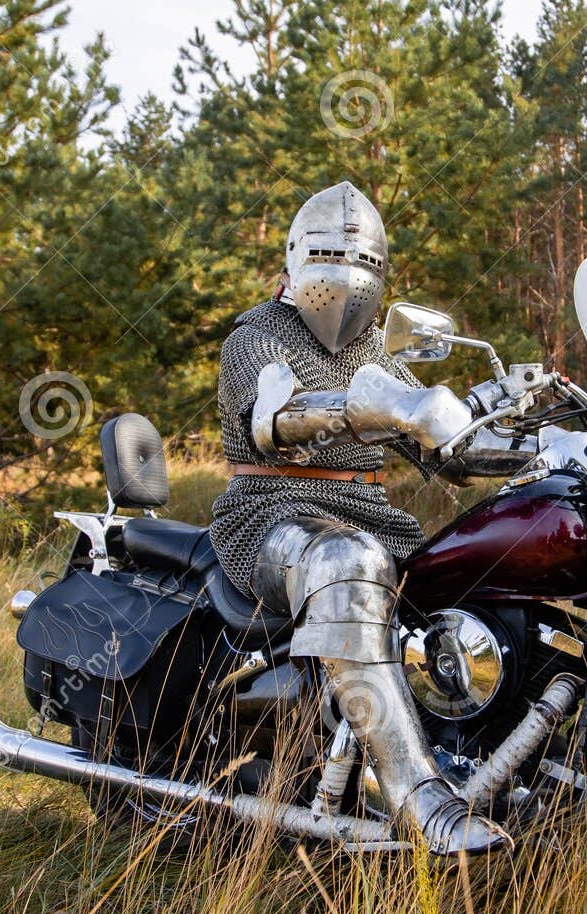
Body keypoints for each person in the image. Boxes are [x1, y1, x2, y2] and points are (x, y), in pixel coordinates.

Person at [209, 181, 510, 856]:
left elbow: (446, 453)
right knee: (348, 562)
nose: (347, 280)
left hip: (369, 514)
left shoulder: (376, 350)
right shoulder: (254, 337)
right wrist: (376, 401)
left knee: (479, 566)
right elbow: (275, 415)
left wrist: (521, 438)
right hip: (272, 513)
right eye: (329, 256)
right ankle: (421, 801)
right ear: (296, 258)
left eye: (365, 265)